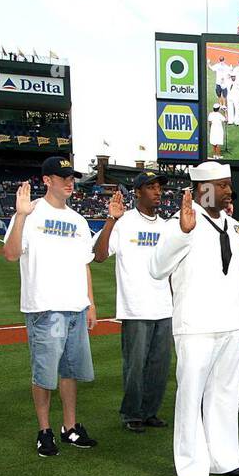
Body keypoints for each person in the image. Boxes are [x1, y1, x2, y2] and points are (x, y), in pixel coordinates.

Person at [149, 162, 239, 476]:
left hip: (229, 324)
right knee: (191, 396)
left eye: (228, 185)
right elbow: (156, 268)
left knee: (225, 394)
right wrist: (182, 233)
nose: (227, 191)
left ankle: (223, 459)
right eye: (220, 185)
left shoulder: (235, 228)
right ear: (200, 189)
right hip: (195, 325)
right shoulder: (180, 224)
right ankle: (192, 468)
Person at [4, 156, 98, 458]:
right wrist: (20, 216)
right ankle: (44, 430)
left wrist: (90, 303)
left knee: (69, 372)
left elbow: (85, 264)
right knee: (44, 373)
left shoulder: (79, 220)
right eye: (63, 177)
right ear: (47, 180)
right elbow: (10, 253)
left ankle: (69, 426)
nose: (70, 182)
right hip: (45, 306)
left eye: (72, 177)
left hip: (75, 307)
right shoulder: (31, 213)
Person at [93, 169, 173, 434]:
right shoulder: (124, 222)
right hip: (135, 306)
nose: (157, 192)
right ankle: (131, 413)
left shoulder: (166, 226)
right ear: (137, 192)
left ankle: (150, 411)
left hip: (164, 305)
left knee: (159, 365)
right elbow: (100, 255)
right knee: (135, 365)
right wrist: (110, 221)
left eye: (159, 187)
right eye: (150, 187)